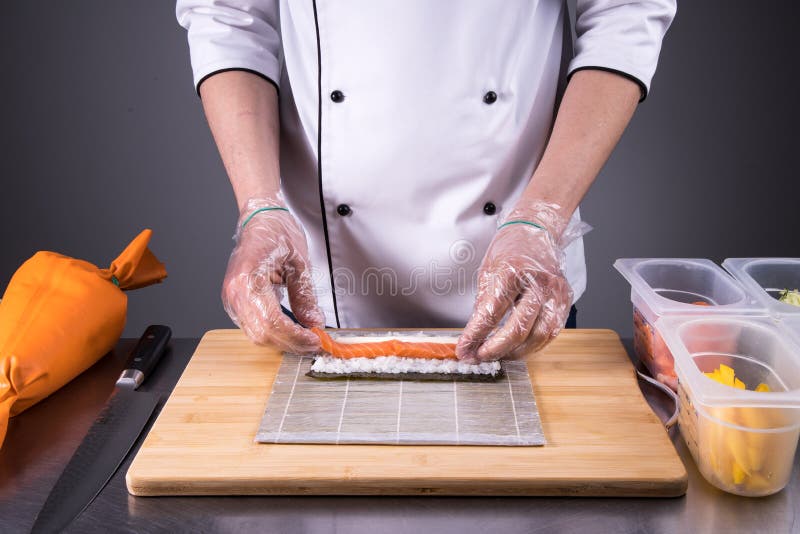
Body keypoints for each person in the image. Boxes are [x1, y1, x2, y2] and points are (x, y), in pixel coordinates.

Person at [176, 1, 675, 362]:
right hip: (319, 279)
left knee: (522, 498)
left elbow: (624, 12)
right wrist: (259, 206)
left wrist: (542, 218)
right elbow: (229, 18)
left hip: (518, 260)